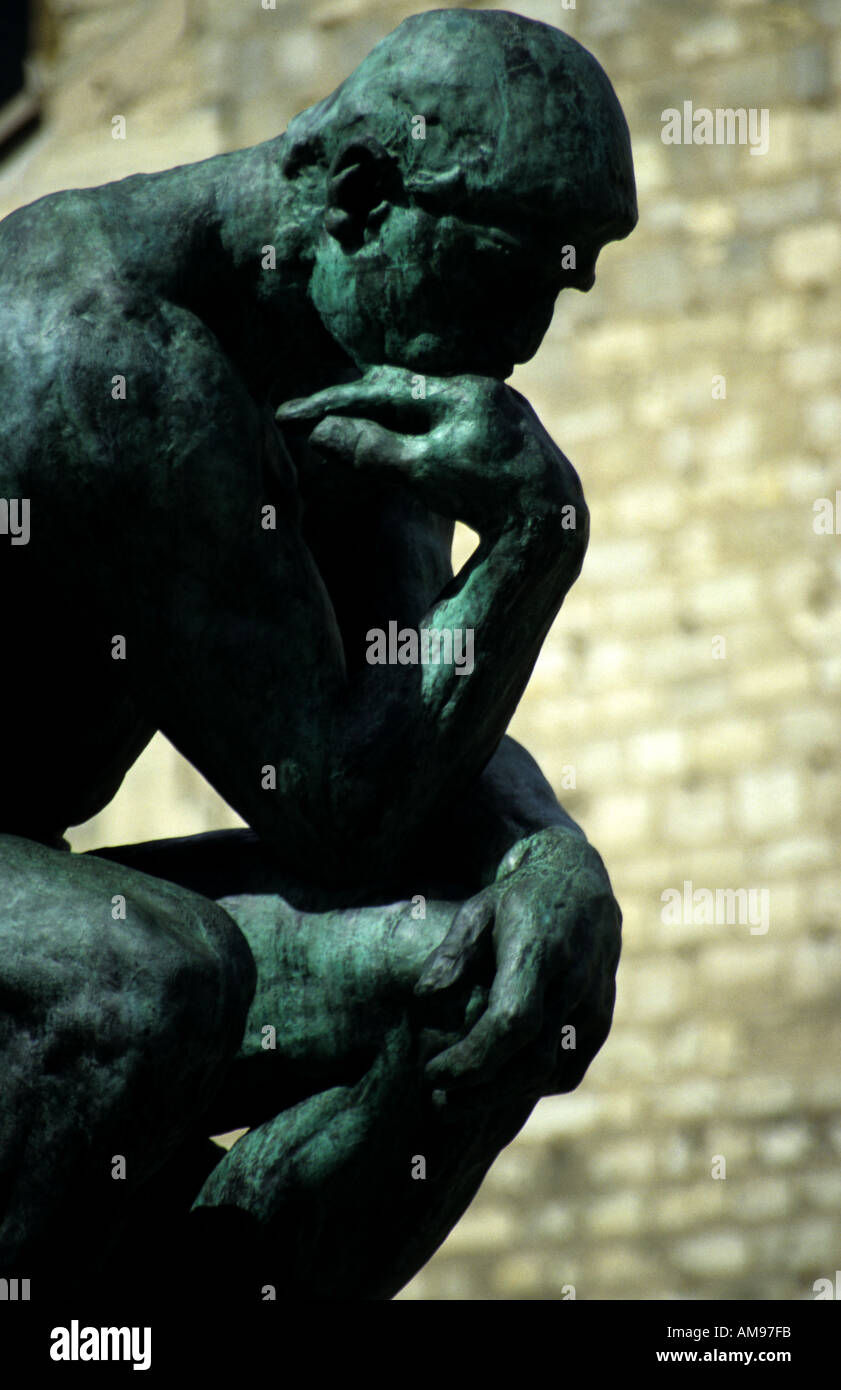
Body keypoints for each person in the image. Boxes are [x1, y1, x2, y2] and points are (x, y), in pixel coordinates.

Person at [0, 9, 636, 1298]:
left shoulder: (355, 361)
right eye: (511, 271)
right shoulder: (107, 347)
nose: (524, 343)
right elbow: (339, 810)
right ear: (360, 197)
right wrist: (534, 540)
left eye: (566, 286)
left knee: (506, 964)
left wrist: (549, 859)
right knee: (145, 980)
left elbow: (404, 738)